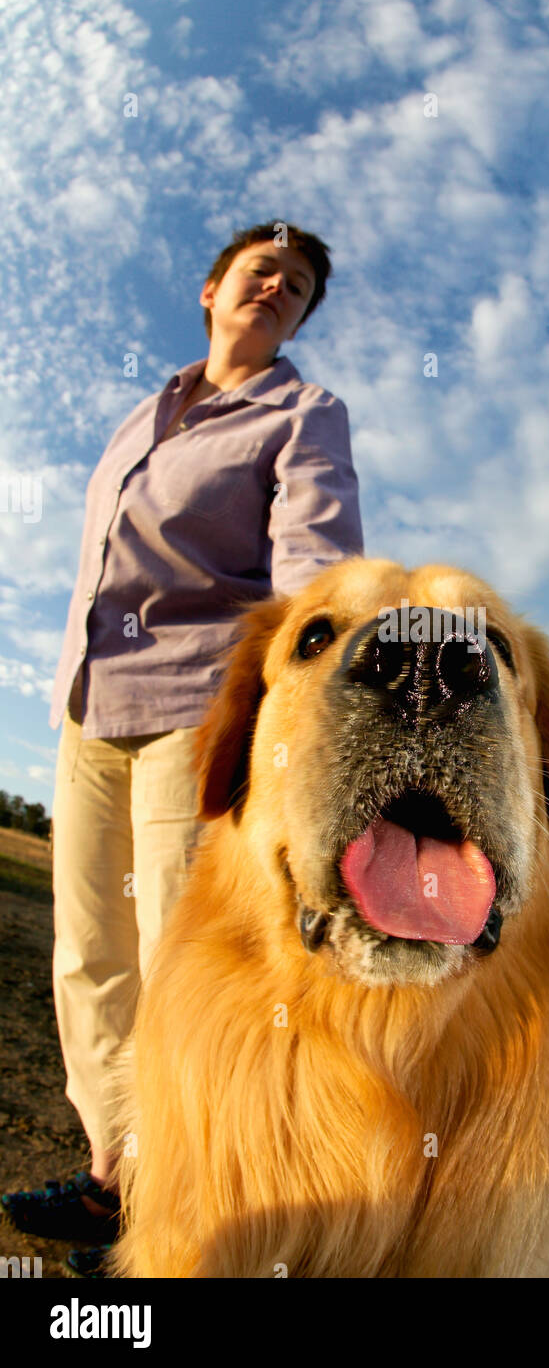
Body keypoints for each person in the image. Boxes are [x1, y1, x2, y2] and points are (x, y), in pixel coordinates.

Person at [0, 220, 363, 1274]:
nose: (278, 289)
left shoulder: (304, 412)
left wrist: (301, 700)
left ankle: (183, 1195)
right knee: (87, 951)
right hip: (87, 704)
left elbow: (314, 558)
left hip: (195, 709)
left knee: (176, 958)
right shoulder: (141, 413)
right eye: (263, 272)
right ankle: (117, 1174)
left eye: (297, 287)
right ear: (211, 288)